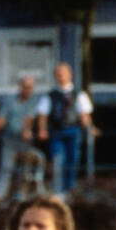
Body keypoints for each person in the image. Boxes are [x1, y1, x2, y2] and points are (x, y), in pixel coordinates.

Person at [36, 63, 94, 195]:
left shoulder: (78, 94)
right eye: (58, 74)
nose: (61, 76)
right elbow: (42, 114)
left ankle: (70, 188)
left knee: (72, 159)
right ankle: (58, 188)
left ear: (70, 75)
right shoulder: (50, 95)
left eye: (63, 73)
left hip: (73, 130)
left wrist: (89, 127)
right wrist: (42, 129)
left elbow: (84, 113)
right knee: (57, 158)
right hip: (56, 131)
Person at [0, 75, 39, 202]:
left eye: (30, 88)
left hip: (25, 141)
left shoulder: (34, 101)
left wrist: (27, 131)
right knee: (6, 167)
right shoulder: (10, 101)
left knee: (25, 169)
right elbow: (1, 119)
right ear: (20, 87)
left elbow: (30, 119)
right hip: (9, 139)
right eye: (25, 87)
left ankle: (21, 196)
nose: (28, 90)